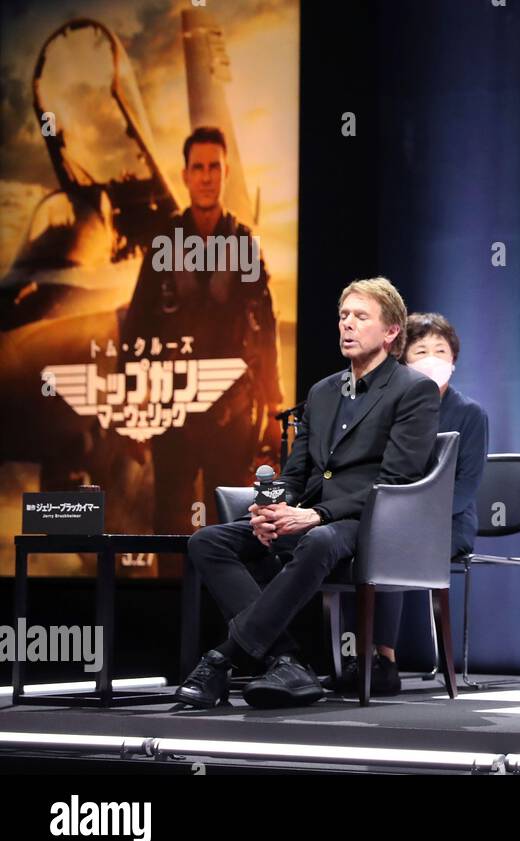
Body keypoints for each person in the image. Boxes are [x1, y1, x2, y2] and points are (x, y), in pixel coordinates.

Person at [176, 277, 440, 709]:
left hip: (374, 523)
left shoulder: (414, 390)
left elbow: (395, 482)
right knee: (207, 540)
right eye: (343, 316)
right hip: (314, 516)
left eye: (360, 317)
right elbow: (295, 474)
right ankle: (285, 661)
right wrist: (269, 508)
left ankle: (223, 658)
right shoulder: (322, 392)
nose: (347, 325)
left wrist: (317, 514)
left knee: (319, 538)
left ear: (391, 331)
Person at [121, 126, 283, 541]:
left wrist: (273, 409)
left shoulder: (244, 244)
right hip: (172, 408)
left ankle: (224, 609)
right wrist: (132, 406)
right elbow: (137, 324)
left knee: (229, 524)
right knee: (168, 524)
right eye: (199, 167)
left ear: (225, 172)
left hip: (231, 410)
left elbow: (265, 330)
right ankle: (164, 607)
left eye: (214, 167)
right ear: (186, 175)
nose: (207, 176)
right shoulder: (163, 244)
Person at [331, 312, 489, 696]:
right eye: (421, 351)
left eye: (441, 350)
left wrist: (406, 519)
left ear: (454, 358)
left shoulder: (469, 414)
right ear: (403, 359)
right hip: (386, 519)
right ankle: (350, 659)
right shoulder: (390, 404)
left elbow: (465, 490)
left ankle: (383, 660)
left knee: (390, 547)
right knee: (350, 544)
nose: (433, 357)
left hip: (446, 525)